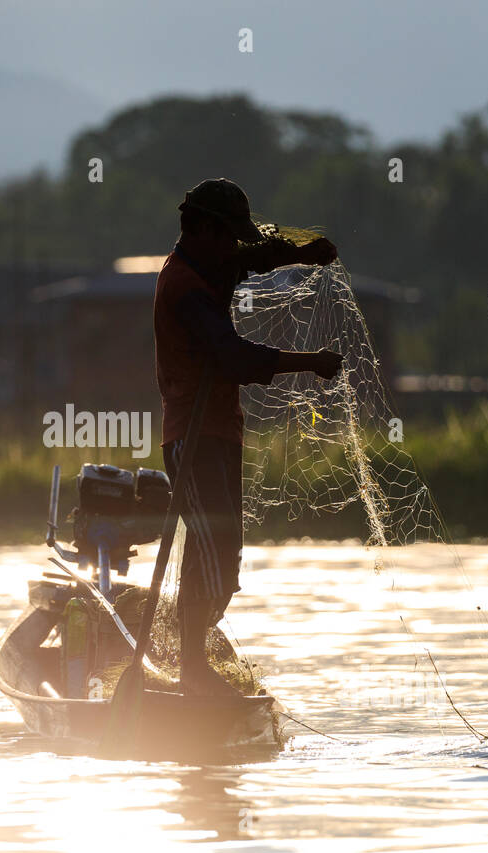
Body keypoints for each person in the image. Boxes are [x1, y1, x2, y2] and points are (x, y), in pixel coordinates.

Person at [153, 178, 343, 696]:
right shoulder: (185, 287)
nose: (236, 246)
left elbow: (254, 259)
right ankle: (191, 664)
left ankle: (191, 650)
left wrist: (302, 255)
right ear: (205, 230)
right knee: (211, 547)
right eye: (228, 235)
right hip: (191, 439)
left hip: (220, 433)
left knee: (222, 551)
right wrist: (311, 364)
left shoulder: (216, 263)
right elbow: (232, 357)